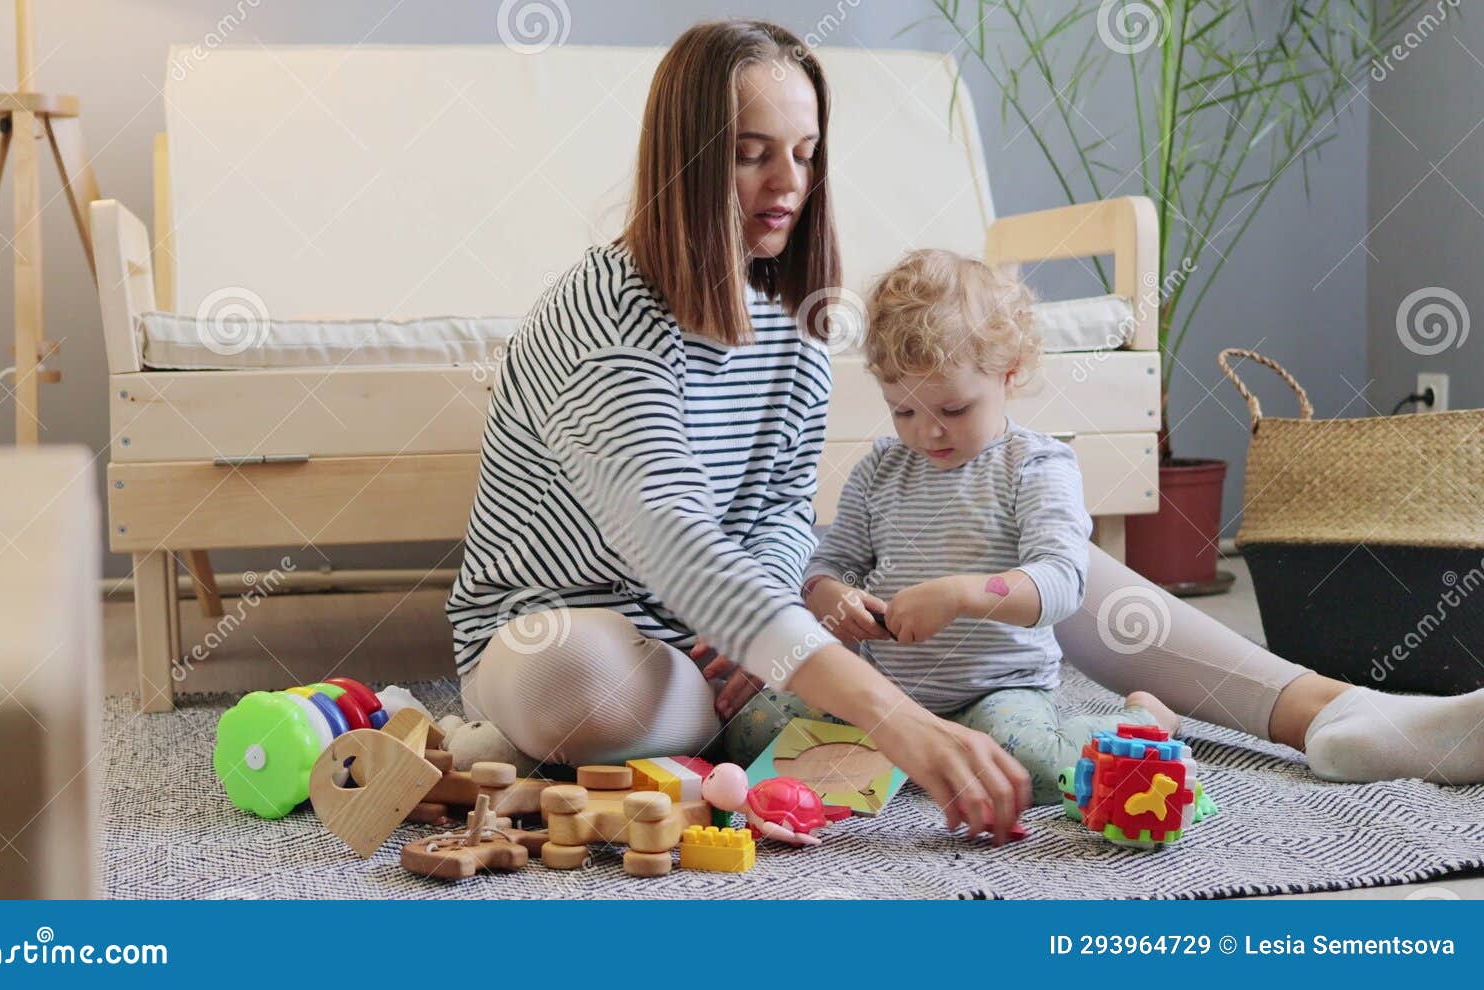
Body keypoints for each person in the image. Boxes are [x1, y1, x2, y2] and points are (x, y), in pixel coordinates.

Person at [446, 19, 1484, 846]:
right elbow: (671, 533)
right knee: (569, 678)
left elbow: (767, 513)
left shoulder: (792, 320)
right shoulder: (602, 314)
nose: (785, 187)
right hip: (584, 630)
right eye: (752, 156)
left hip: (724, 648)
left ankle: (1338, 713)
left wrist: (759, 626)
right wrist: (891, 713)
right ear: (684, 158)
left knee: (1042, 556)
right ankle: (766, 705)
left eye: (804, 155)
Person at [718, 249, 1180, 799]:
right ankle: (918, 756)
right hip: (886, 694)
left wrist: (962, 595)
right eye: (904, 411)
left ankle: (1144, 724)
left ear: (1008, 375)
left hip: (996, 693)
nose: (928, 434)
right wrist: (833, 598)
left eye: (954, 411)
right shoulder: (881, 470)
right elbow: (826, 565)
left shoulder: (1034, 465)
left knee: (1032, 764)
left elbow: (1063, 581)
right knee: (748, 733)